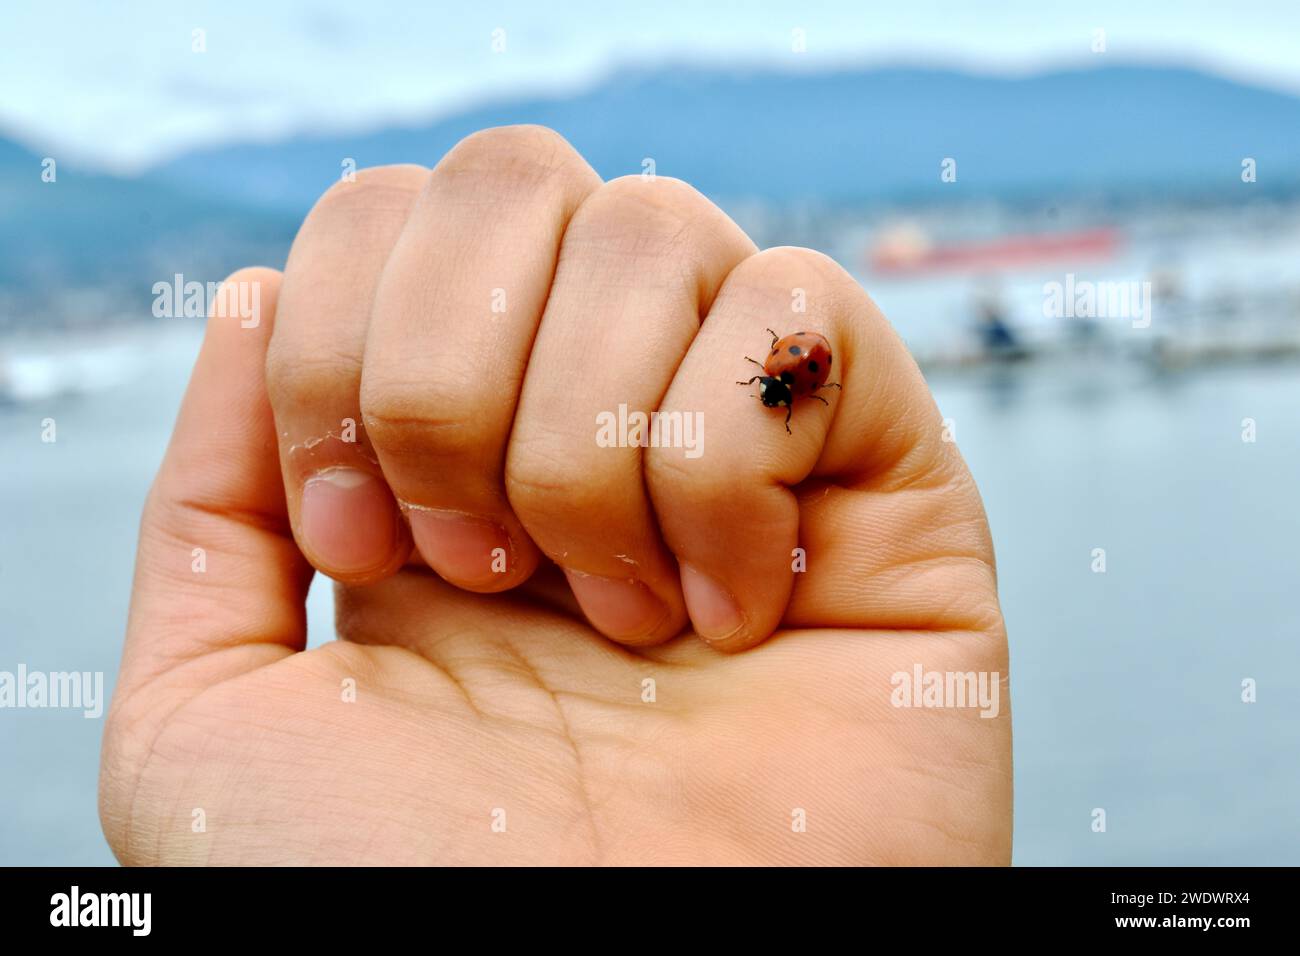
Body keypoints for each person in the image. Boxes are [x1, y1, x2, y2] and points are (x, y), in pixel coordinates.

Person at [99, 126, 1011, 865]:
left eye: (782, 385)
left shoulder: (779, 382)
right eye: (780, 383)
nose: (782, 384)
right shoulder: (790, 382)